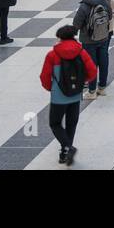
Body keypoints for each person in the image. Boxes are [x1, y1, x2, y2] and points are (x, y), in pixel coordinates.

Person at [40, 25, 96, 167]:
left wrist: (50, 89)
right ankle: (65, 152)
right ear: (73, 36)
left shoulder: (52, 55)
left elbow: (45, 76)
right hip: (75, 93)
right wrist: (81, 83)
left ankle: (67, 147)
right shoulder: (81, 52)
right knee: (71, 123)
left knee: (55, 123)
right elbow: (92, 72)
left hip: (58, 95)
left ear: (60, 38)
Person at [72, 0, 114, 99]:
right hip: (104, 37)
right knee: (104, 61)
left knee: (91, 64)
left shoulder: (85, 5)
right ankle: (102, 87)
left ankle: (91, 91)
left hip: (89, 40)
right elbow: (110, 16)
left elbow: (76, 24)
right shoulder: (105, 1)